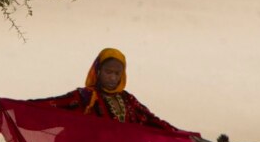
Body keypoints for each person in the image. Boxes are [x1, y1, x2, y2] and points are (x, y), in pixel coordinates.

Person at [26, 48, 180, 132]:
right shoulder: (85, 97)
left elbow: (152, 121)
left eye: (117, 73)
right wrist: (17, 107)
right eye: (108, 72)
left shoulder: (128, 99)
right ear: (98, 71)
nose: (113, 77)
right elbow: (52, 106)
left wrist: (182, 135)